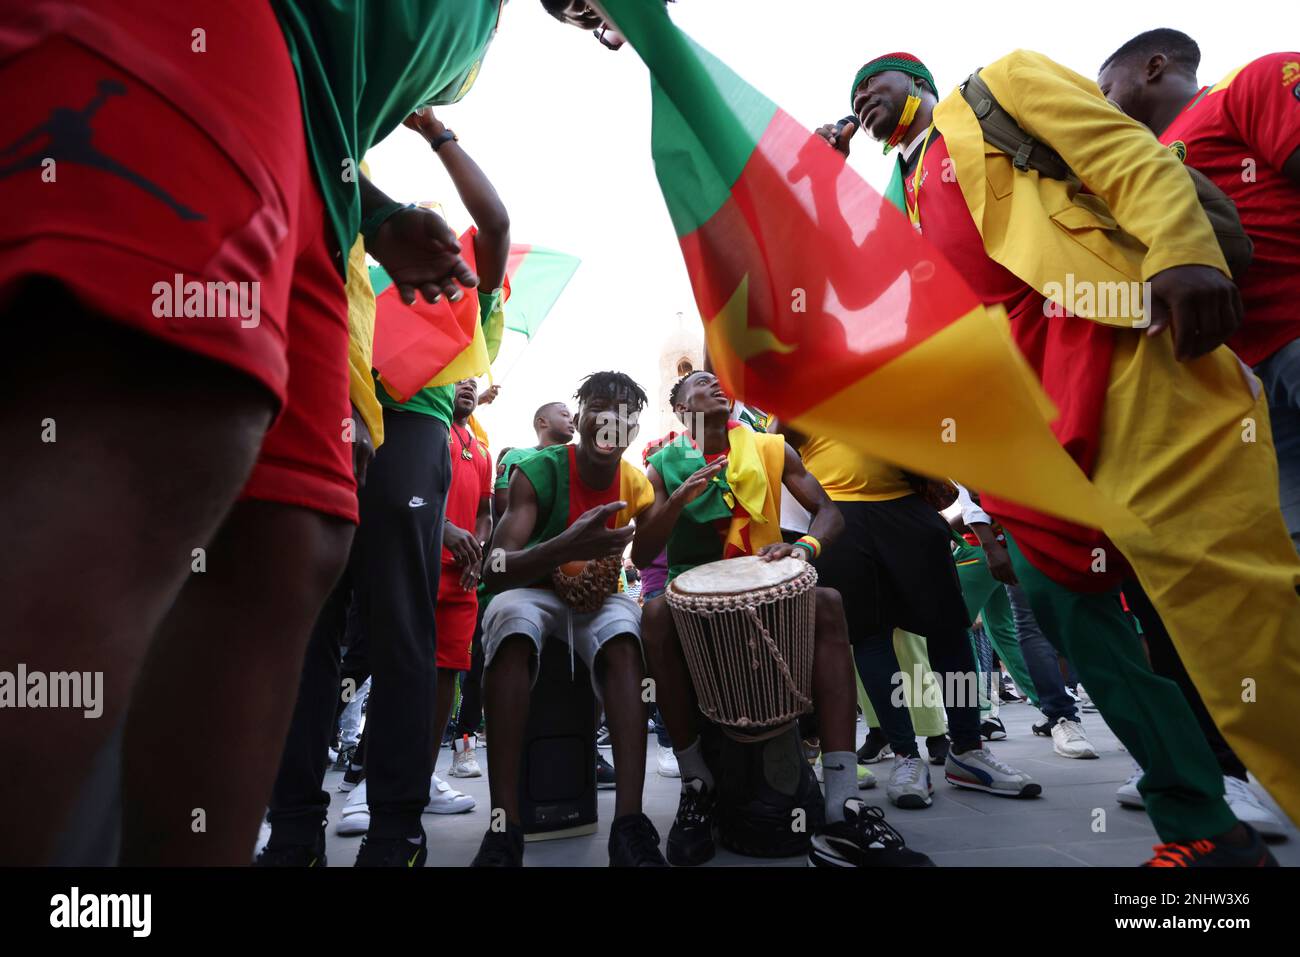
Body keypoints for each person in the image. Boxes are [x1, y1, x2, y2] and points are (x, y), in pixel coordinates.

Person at [818, 49, 1293, 865]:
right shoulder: (888, 196)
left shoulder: (997, 89)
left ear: (917, 81)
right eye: (854, 96)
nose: (865, 101)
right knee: (1061, 599)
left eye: (878, 85)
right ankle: (1202, 824)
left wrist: (1181, 247)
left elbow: (1124, 150)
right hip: (1014, 422)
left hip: (1116, 349)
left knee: (1225, 592)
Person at [633, 370, 933, 867]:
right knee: (656, 615)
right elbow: (644, 552)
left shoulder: (772, 448)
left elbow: (828, 512)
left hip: (770, 583)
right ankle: (697, 782)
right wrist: (678, 500)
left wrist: (803, 547)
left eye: (717, 381)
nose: (715, 385)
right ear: (682, 407)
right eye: (701, 383)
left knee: (831, 601)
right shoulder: (663, 465)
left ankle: (841, 798)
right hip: (696, 594)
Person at [775, 424, 1039, 811]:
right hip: (839, 517)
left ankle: (968, 749)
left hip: (908, 507)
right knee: (869, 637)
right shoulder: (804, 390)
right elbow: (779, 449)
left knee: (950, 630)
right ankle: (905, 756)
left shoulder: (891, 379)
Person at [473, 372, 665, 867]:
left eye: (624, 412)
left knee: (626, 639)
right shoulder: (534, 469)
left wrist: (677, 505)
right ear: (578, 417)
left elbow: (645, 556)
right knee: (510, 626)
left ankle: (628, 827)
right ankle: (504, 828)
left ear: (634, 429)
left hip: (598, 599)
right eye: (598, 405)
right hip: (529, 590)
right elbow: (494, 568)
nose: (610, 418)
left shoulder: (638, 485)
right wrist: (565, 546)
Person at [949, 484, 1098, 759]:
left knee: (953, 628)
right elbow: (970, 497)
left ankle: (982, 713)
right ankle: (1051, 708)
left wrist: (985, 542)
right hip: (1002, 545)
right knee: (1006, 629)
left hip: (982, 549)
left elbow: (969, 499)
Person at [494, 402, 576, 518]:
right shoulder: (517, 456)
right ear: (542, 422)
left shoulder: (577, 459)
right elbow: (503, 506)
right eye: (564, 415)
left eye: (572, 418)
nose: (572, 421)